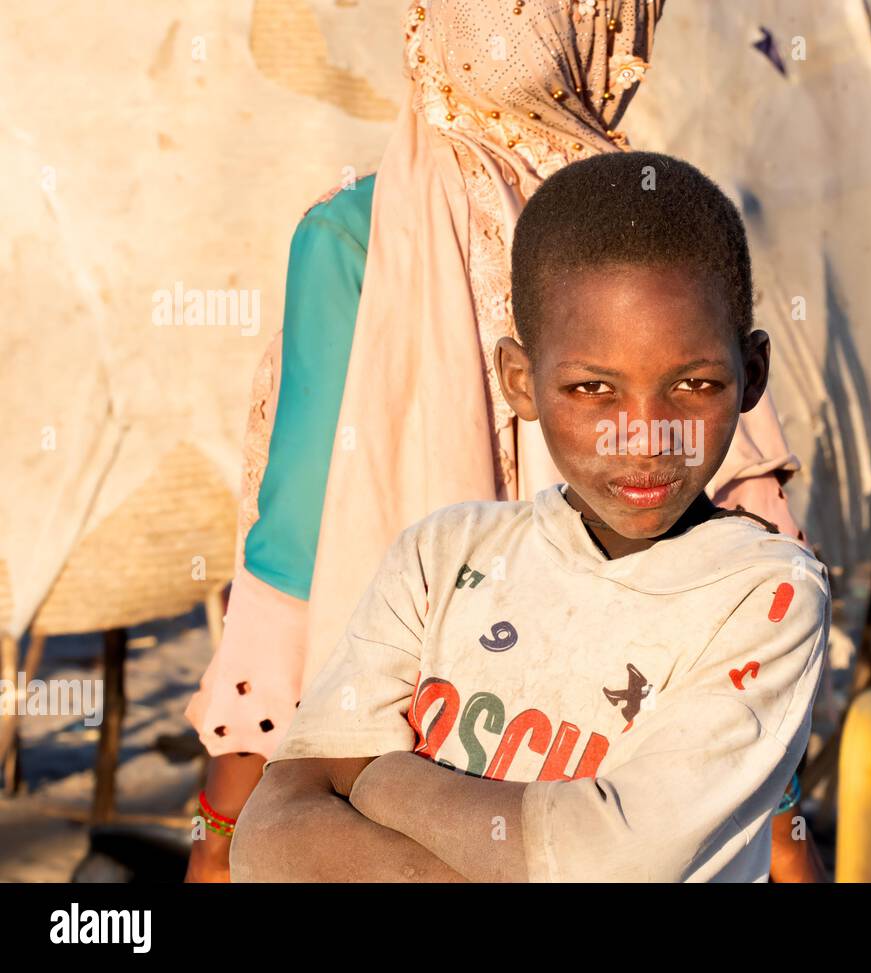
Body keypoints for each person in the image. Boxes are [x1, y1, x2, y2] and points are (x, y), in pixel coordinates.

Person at [186, 0, 825, 882]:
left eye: (691, 383)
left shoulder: (360, 234)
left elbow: (295, 544)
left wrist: (281, 799)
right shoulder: (655, 219)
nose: (642, 430)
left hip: (397, 738)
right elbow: (743, 519)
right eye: (590, 388)